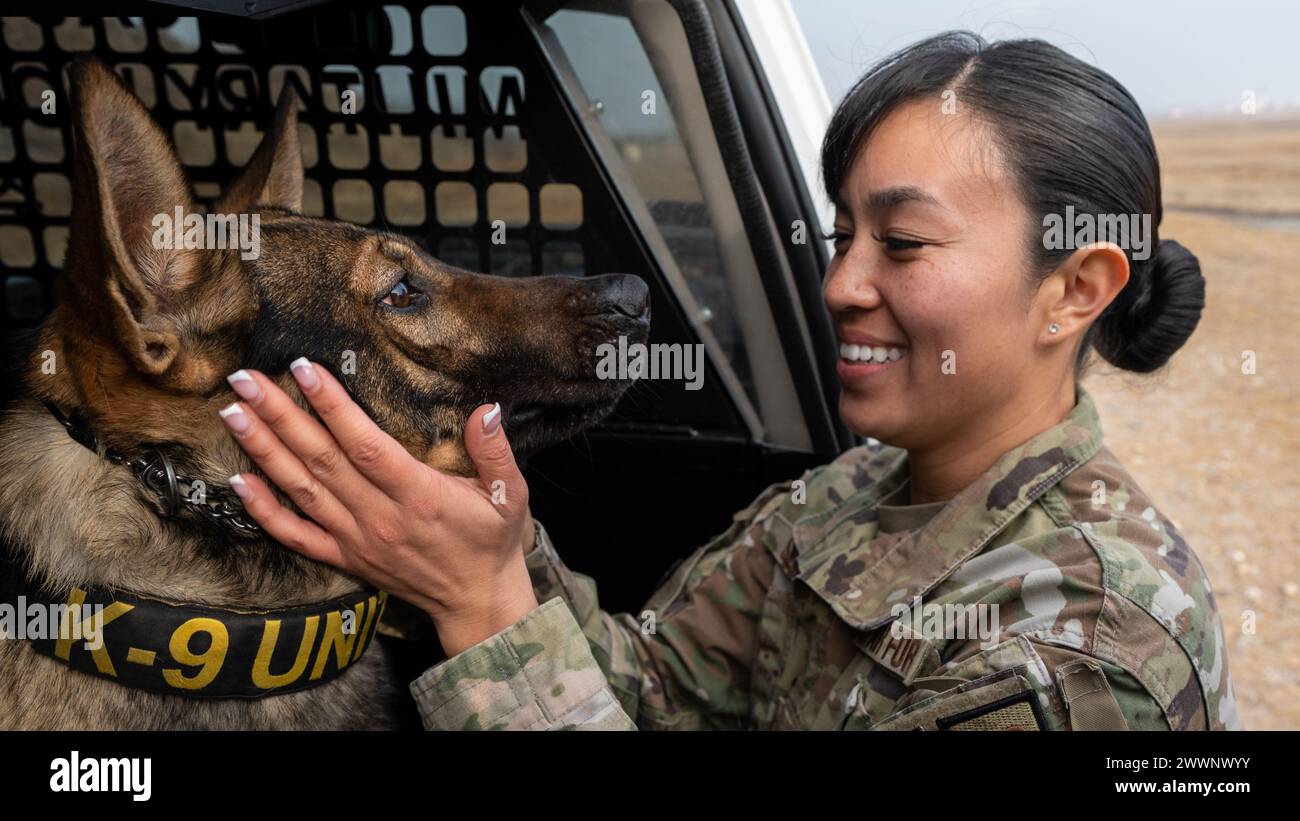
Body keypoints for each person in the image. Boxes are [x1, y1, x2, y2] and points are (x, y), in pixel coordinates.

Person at [217, 31, 1236, 730]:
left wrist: (481, 607)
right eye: (842, 236)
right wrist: (492, 544)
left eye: (904, 242)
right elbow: (653, 691)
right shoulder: (850, 494)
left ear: (1072, 288)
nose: (840, 285)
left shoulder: (1082, 650)